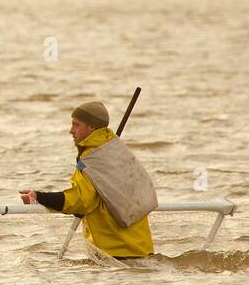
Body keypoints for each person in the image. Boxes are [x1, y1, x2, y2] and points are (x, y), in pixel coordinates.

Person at [18, 101, 157, 259]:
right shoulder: (118, 151)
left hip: (116, 253)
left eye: (76, 125)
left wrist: (39, 197)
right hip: (143, 249)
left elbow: (81, 200)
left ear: (91, 127)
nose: (71, 131)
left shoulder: (92, 160)